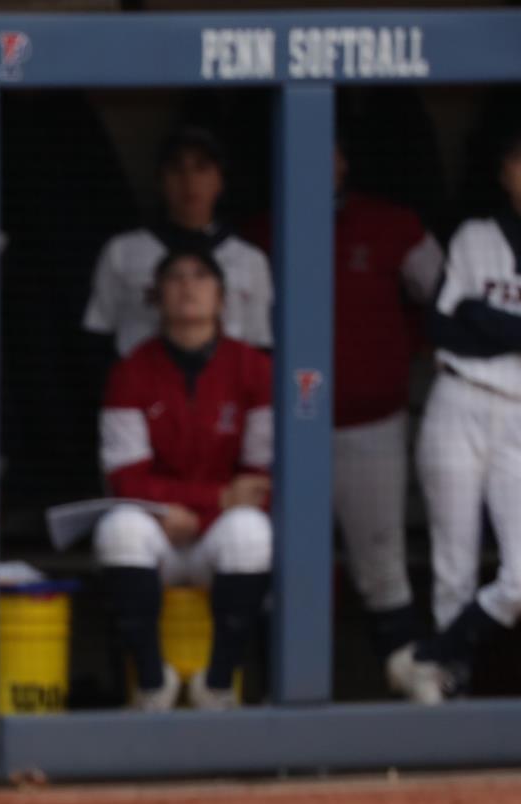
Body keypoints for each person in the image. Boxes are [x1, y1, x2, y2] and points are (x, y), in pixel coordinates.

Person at [243, 133, 442, 670]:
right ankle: (278, 719)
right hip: (284, 431)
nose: (315, 163)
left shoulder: (394, 226)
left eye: (326, 152)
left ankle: (409, 706)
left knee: (381, 564)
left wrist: (407, 346)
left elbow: (446, 302)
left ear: (343, 160)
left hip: (371, 424)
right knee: (276, 566)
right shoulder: (259, 233)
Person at [94, 243, 273, 710]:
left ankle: (218, 683)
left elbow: (259, 478)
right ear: (156, 297)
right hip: (161, 529)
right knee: (119, 529)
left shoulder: (254, 369)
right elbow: (127, 477)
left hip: (220, 533)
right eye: (175, 277)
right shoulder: (131, 371)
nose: (188, 286)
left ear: (222, 298)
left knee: (252, 533)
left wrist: (207, 506)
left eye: (200, 276)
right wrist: (214, 497)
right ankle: (153, 683)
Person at [389, 126, 521, 704]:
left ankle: (430, 655)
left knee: (519, 578)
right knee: (454, 566)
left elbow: (467, 319)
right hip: (459, 399)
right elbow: (441, 325)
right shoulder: (474, 235)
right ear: (504, 171)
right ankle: (448, 690)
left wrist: (483, 318)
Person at [84, 126, 274, 359]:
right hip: (142, 387)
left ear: (220, 180)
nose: (189, 180)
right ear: (160, 180)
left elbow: (259, 345)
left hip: (223, 390)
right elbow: (98, 335)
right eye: (176, 169)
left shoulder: (249, 259)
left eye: (201, 168)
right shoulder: (123, 251)